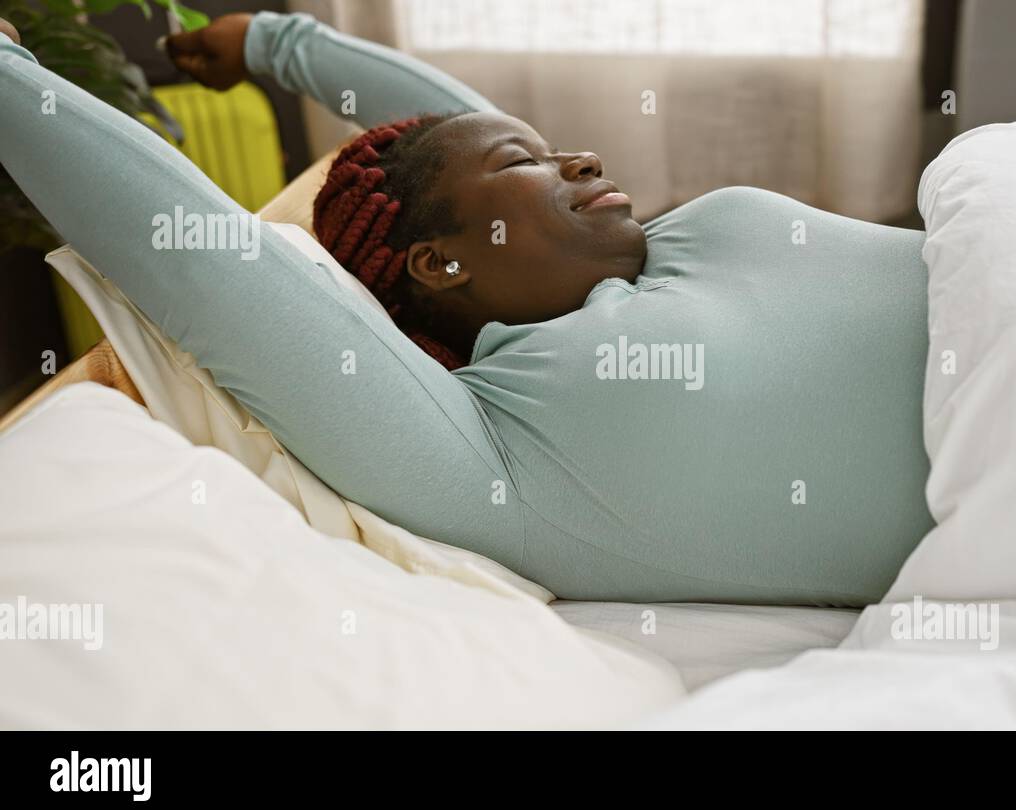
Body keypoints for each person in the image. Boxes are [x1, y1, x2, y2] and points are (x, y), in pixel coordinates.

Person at [0, 12, 933, 605]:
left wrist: (274, 46)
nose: (584, 161)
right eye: (526, 165)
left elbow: (459, 128)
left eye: (556, 149)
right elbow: (214, 266)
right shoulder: (498, 454)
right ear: (440, 262)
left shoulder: (666, 247)